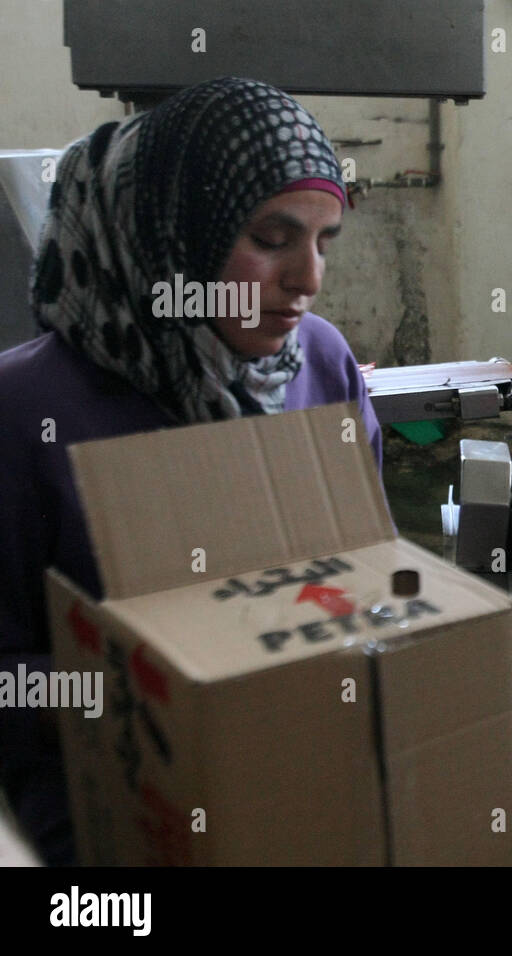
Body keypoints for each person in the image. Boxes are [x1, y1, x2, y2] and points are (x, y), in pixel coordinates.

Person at [0, 77, 384, 864]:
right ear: (170, 237)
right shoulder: (26, 412)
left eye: (325, 241)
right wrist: (136, 697)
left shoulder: (321, 366)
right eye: (273, 239)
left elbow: (371, 581)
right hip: (108, 817)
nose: (307, 280)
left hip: (297, 790)